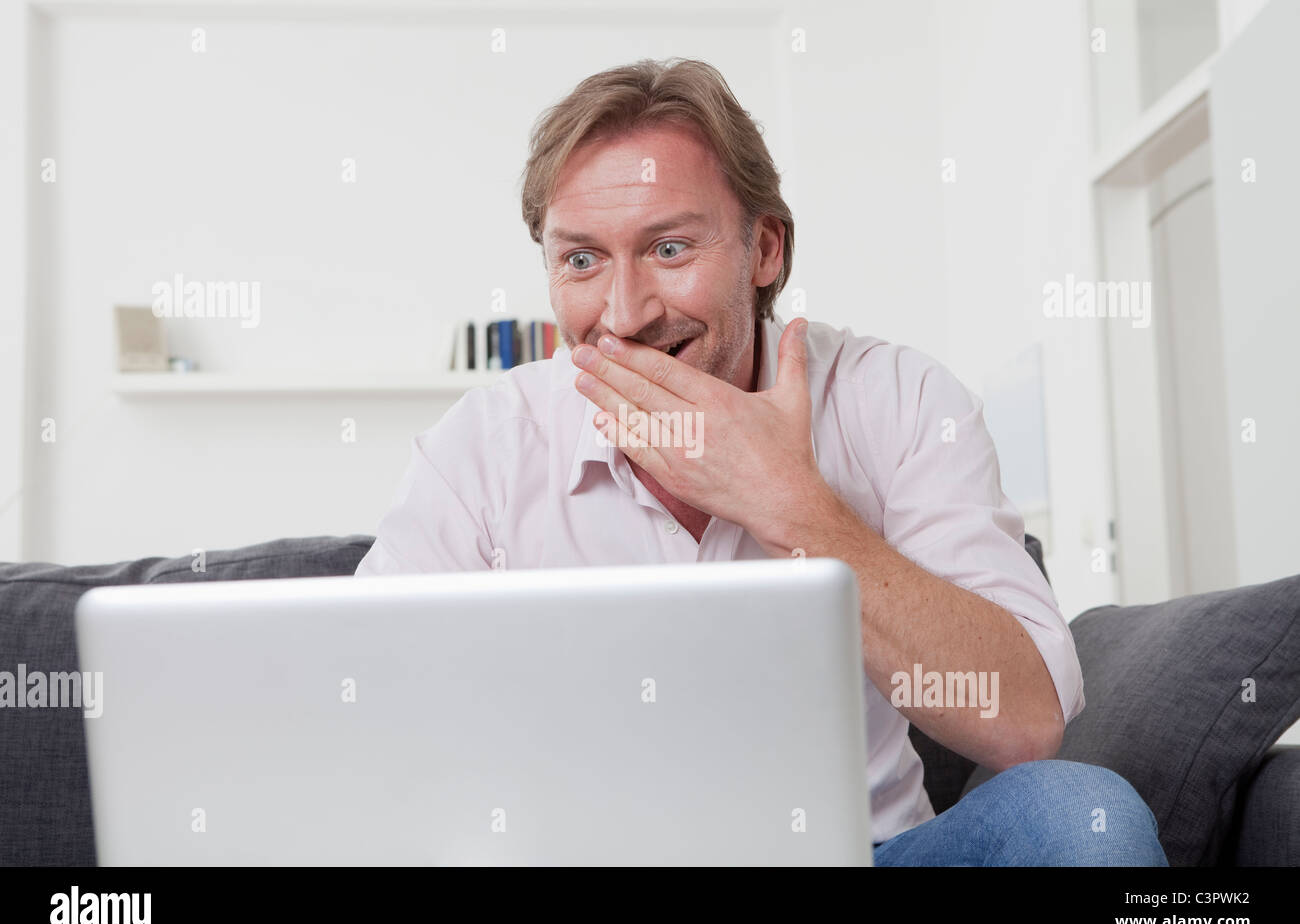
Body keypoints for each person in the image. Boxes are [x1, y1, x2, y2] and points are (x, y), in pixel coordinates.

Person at [356, 57, 1166, 866]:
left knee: (1077, 811)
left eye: (669, 248)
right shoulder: (485, 443)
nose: (624, 314)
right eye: (581, 260)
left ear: (766, 248)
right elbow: (360, 708)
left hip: (867, 855)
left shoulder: (902, 401)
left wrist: (792, 508)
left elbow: (1022, 721)